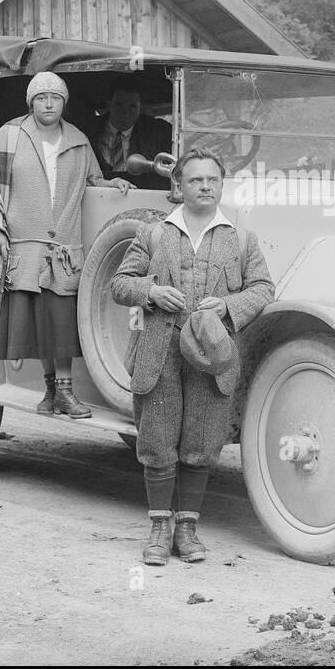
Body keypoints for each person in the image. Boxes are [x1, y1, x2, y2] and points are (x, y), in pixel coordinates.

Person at [110, 148, 274, 566]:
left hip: (213, 354)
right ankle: (159, 529)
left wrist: (227, 308)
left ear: (221, 186)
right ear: (178, 186)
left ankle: (188, 529)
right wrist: (151, 292)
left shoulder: (241, 239)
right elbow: (120, 284)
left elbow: (263, 290)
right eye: (195, 179)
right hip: (159, 351)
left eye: (212, 180)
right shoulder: (154, 234)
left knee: (201, 442)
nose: (204, 186)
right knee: (158, 441)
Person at [0, 72, 134, 419]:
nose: (49, 103)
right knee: (39, 322)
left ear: (64, 102)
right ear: (30, 102)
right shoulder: (10, 135)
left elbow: (94, 181)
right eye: (41, 97)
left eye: (55, 98)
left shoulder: (78, 140)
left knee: (61, 323)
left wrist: (112, 184)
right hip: (26, 248)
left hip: (64, 250)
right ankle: (50, 390)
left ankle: (65, 391)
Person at [89, 74, 174, 191]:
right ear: (109, 103)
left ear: (141, 107)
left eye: (132, 107)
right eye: (119, 105)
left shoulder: (159, 132)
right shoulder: (88, 130)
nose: (125, 113)